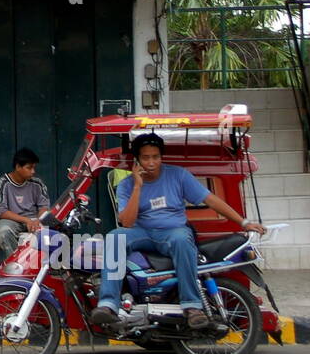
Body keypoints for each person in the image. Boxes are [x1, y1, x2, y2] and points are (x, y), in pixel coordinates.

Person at [90, 133, 267, 331]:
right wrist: (138, 186)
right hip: (142, 232)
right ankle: (108, 305)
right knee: (114, 238)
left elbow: (210, 199)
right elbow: (127, 222)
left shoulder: (178, 175)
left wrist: (244, 222)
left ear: (161, 157)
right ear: (137, 160)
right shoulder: (127, 184)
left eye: (155, 157)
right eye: (146, 158)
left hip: (173, 231)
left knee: (182, 240)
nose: (151, 162)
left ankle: (192, 307)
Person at [0, 147, 50, 268]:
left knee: (51, 232)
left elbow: (44, 207)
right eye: (29, 168)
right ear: (18, 167)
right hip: (12, 221)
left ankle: (41, 270)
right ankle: (17, 267)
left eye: (34, 168)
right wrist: (26, 220)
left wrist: (38, 221)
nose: (33, 171)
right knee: (3, 232)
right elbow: (1, 211)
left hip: (34, 220)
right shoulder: (3, 183)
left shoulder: (37, 183)